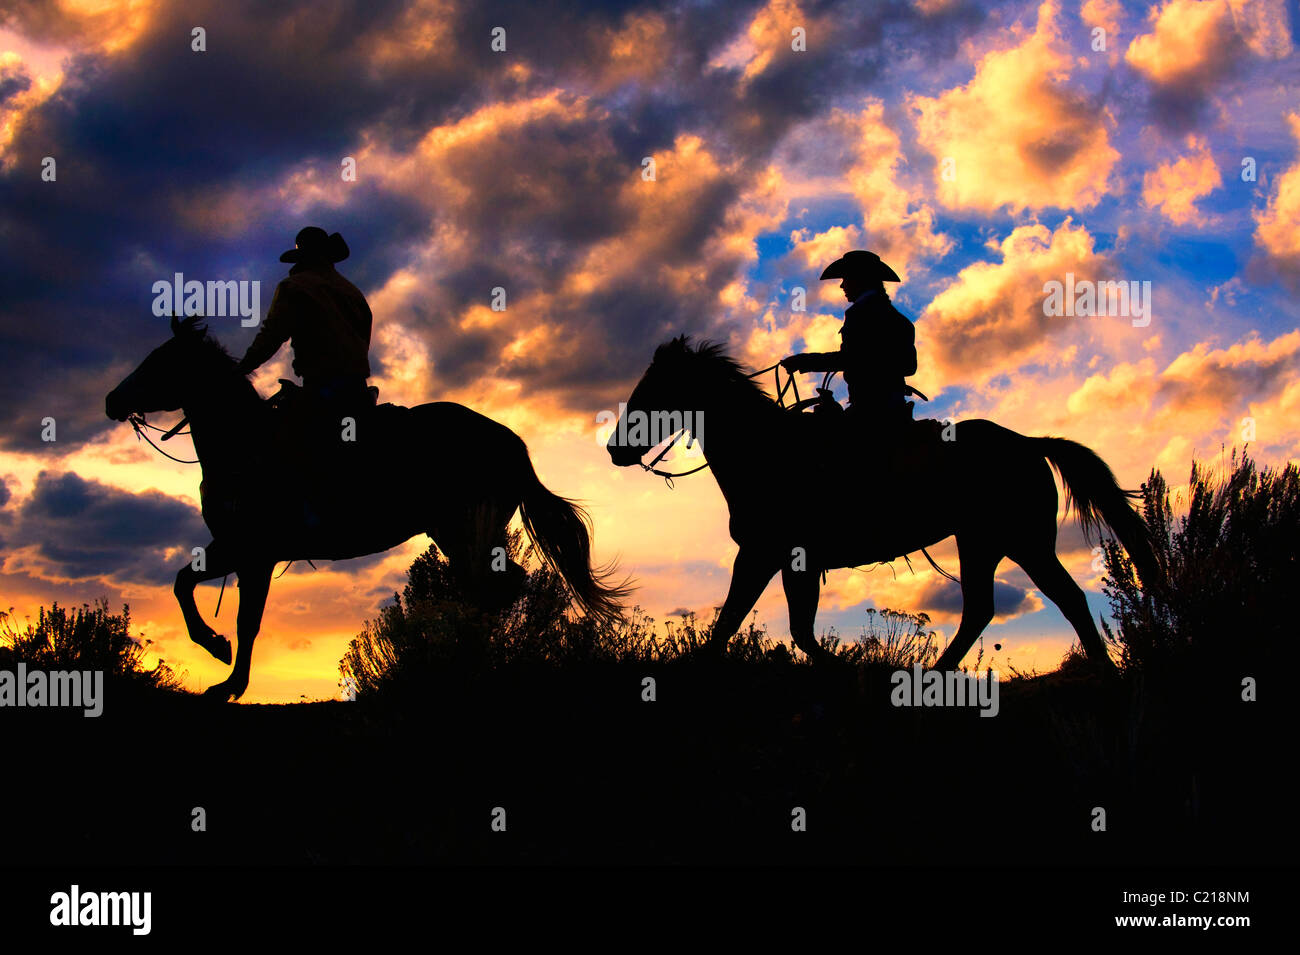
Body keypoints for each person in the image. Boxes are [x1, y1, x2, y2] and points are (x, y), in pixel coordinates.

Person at [238, 227, 375, 525]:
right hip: (358, 390)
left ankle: (305, 516)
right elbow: (363, 340)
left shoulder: (296, 287)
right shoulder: (353, 292)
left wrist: (241, 367)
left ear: (303, 257)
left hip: (322, 387)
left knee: (278, 444)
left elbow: (271, 336)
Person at [781, 250, 917, 432]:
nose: (842, 286)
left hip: (870, 412)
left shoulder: (860, 313)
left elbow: (849, 359)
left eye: (846, 279)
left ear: (860, 280)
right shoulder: (900, 320)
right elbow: (909, 366)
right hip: (894, 408)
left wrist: (803, 361)